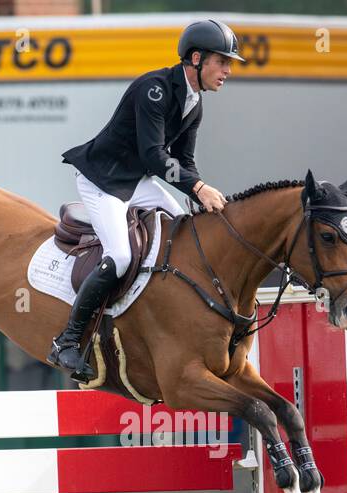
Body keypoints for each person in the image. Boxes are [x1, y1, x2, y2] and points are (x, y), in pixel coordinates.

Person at [48, 18, 244, 381]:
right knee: (121, 256)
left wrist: (198, 196)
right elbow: (155, 155)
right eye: (222, 61)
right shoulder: (154, 89)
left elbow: (184, 162)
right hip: (102, 179)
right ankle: (68, 341)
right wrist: (198, 188)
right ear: (197, 58)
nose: (228, 70)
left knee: (184, 229)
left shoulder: (194, 102)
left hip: (135, 181)